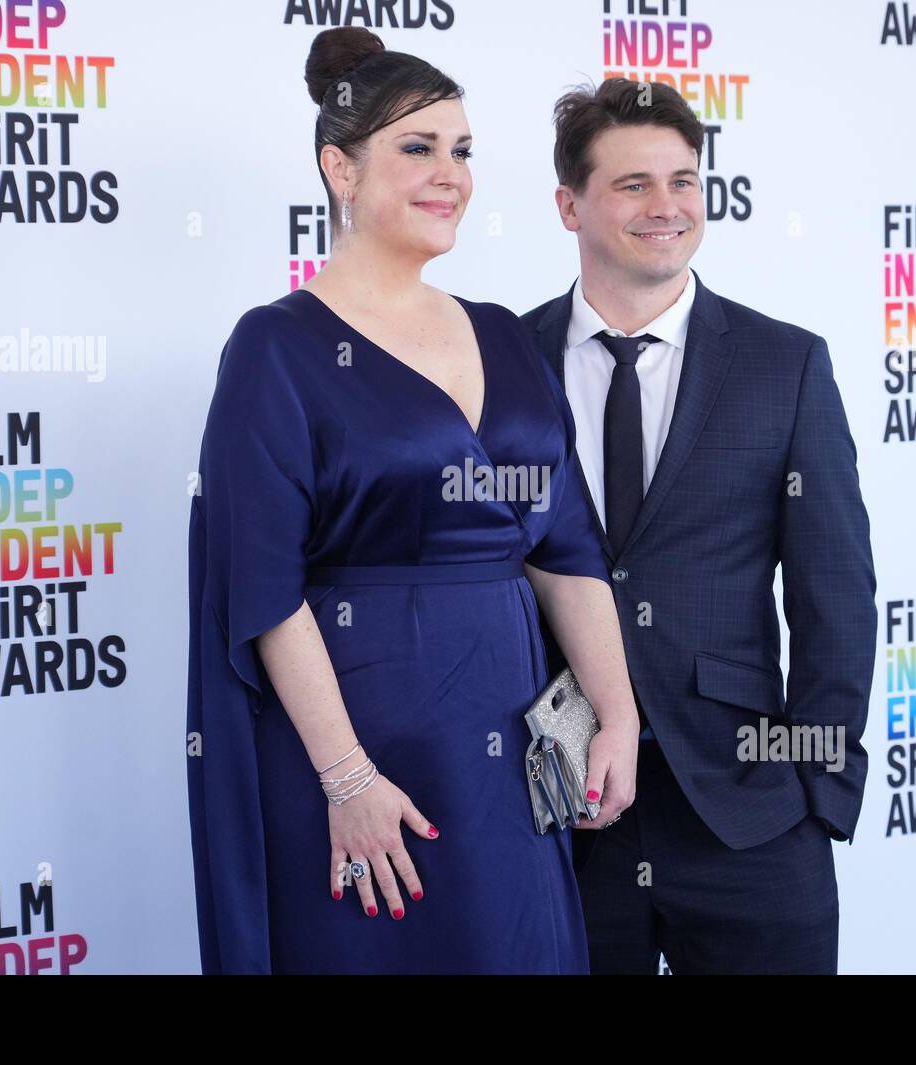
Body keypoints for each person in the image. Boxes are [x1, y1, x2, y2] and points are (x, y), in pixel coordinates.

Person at [185, 28, 640, 975]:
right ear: (338, 169)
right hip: (361, 753)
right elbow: (264, 592)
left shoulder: (507, 338)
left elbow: (566, 551)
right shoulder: (276, 348)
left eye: (463, 150)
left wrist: (618, 712)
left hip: (513, 759)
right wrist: (347, 779)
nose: (451, 175)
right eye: (418, 148)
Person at [520, 77, 877, 974]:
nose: (667, 205)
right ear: (569, 204)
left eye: (684, 179)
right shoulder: (502, 361)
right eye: (633, 183)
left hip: (748, 810)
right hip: (559, 814)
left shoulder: (784, 364)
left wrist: (815, 789)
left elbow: (835, 592)